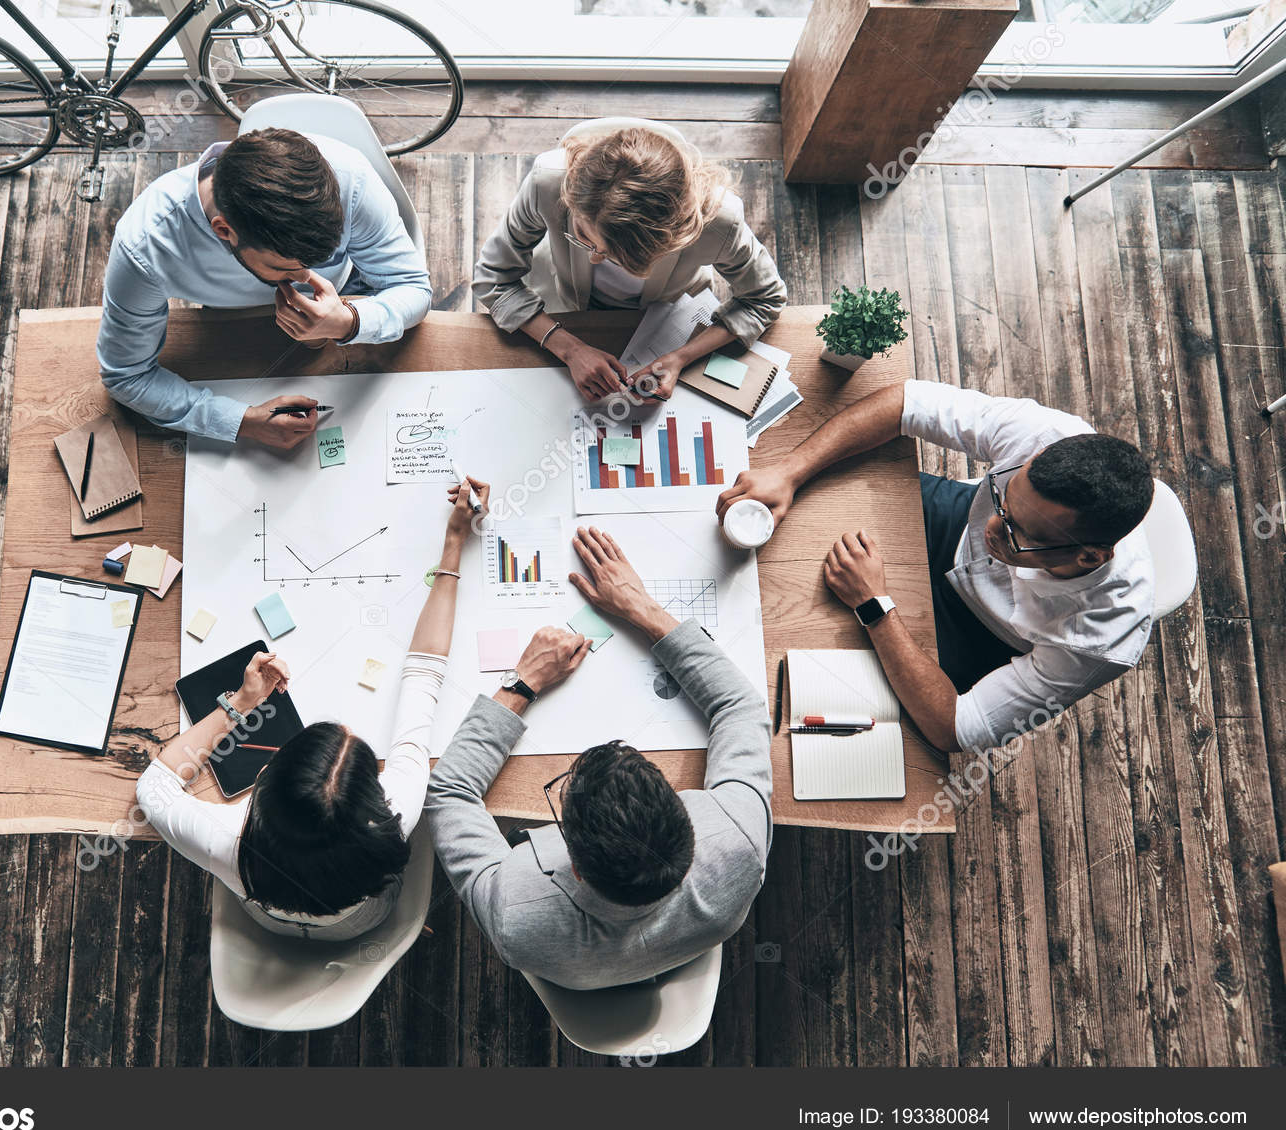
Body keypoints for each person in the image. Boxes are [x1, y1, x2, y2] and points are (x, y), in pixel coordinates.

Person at [716, 380, 1156, 755]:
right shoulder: (1048, 436)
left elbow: (955, 728)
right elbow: (904, 403)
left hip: (980, 636)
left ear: (1088, 557)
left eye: (1017, 532)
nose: (992, 527)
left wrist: (874, 605)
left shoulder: (1101, 639)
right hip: (951, 522)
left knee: (833, 694)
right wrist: (789, 473)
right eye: (1002, 498)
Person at [136, 476, 488, 940]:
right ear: (375, 800)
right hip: (358, 919)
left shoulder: (225, 839)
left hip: (268, 911)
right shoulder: (397, 811)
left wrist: (242, 703)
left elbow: (154, 787)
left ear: (264, 781)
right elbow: (425, 673)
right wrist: (455, 542)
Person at [424, 527, 773, 990]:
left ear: (575, 866)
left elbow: (448, 791)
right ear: (686, 815)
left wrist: (521, 684)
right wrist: (642, 608)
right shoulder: (740, 839)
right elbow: (741, 707)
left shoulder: (514, 913)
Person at [98, 128, 432, 451]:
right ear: (224, 231)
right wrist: (243, 421)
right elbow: (127, 376)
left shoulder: (351, 181)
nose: (304, 278)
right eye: (283, 268)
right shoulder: (144, 247)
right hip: (228, 327)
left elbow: (413, 287)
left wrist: (349, 321)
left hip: (347, 295)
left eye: (318, 261)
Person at [472, 126, 786, 402]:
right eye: (583, 236)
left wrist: (681, 357)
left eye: (615, 255)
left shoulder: (720, 223)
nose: (594, 258)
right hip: (564, 304)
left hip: (668, 316)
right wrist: (570, 348)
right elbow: (492, 277)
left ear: (671, 239)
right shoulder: (546, 183)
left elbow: (765, 297)